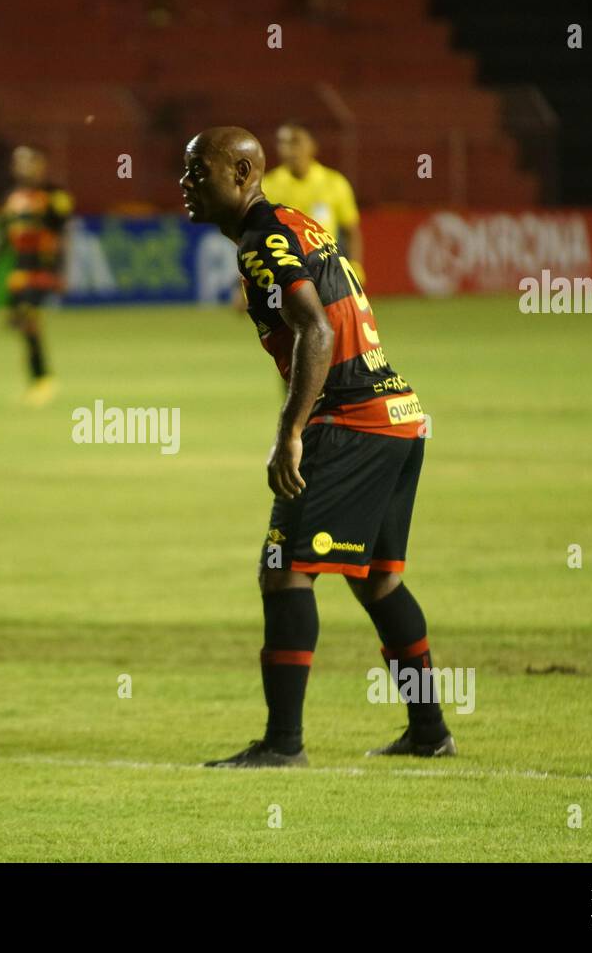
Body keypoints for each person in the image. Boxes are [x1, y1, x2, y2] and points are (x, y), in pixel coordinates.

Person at [179, 126, 454, 768]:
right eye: (186, 172)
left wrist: (290, 433)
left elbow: (317, 331)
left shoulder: (261, 241)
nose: (187, 184)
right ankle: (429, 729)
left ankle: (283, 745)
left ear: (243, 175)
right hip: (399, 414)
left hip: (351, 419)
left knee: (284, 571)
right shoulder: (292, 222)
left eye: (201, 171)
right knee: (379, 582)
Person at [0, 145, 72, 407]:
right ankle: (37, 379)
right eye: (17, 162)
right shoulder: (11, 198)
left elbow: (64, 235)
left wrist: (62, 272)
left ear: (40, 164)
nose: (20, 167)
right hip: (19, 271)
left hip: (42, 271)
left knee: (28, 316)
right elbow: (0, 238)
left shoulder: (54, 196)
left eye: (27, 161)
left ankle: (43, 380)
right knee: (18, 322)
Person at [262, 121, 365, 285]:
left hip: (326, 268)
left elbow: (351, 232)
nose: (289, 149)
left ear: (313, 146)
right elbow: (256, 235)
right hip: (285, 269)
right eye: (283, 143)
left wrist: (355, 267)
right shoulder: (267, 185)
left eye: (296, 142)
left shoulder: (334, 182)